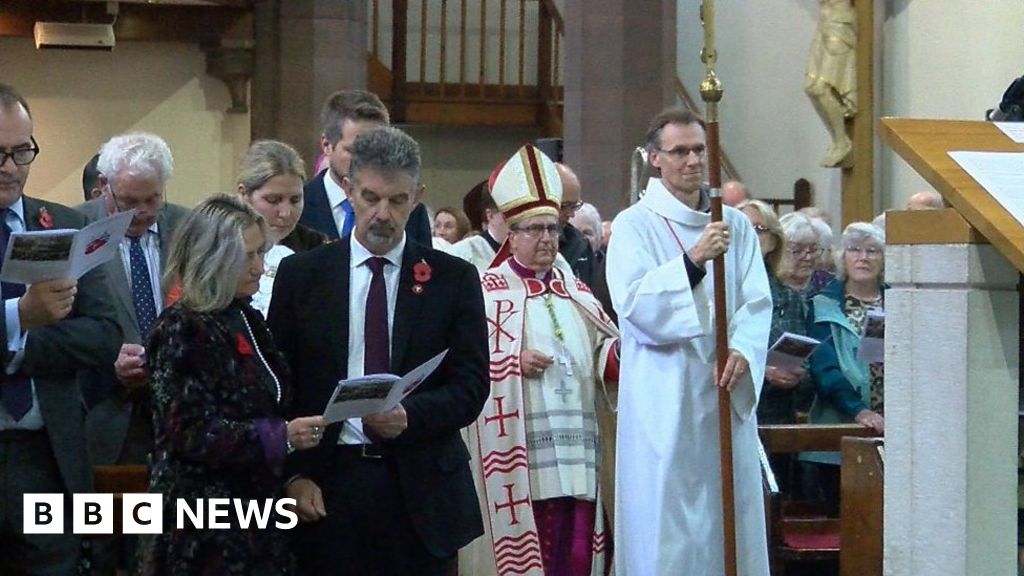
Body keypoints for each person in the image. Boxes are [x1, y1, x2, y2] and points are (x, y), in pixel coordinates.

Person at [267, 126, 488, 575]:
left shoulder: (452, 279)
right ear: (349, 190)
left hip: (421, 487)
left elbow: (471, 386)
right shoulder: (302, 276)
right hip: (328, 484)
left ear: (418, 197)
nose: (383, 214)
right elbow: (277, 386)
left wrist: (411, 416)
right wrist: (293, 474)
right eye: (370, 198)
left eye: (398, 200)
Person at [606, 107, 772, 575]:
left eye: (700, 149)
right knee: (669, 526)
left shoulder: (735, 225)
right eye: (680, 151)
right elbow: (635, 307)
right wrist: (694, 259)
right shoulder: (634, 225)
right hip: (666, 400)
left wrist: (744, 348)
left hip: (723, 391)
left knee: (727, 519)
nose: (693, 160)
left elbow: (757, 301)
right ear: (655, 158)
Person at [138, 194, 324, 575]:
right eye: (248, 256)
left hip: (256, 518)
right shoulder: (180, 328)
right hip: (201, 527)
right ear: (213, 258)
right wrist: (280, 436)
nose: (259, 267)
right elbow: (188, 433)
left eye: (261, 253)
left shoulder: (246, 317)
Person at [466, 145, 620, 575]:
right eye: (534, 229)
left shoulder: (578, 292)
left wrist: (623, 352)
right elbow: (465, 363)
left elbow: (603, 356)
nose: (547, 239)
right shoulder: (485, 293)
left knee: (576, 550)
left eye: (552, 228)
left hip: (580, 448)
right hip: (522, 454)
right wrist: (511, 360)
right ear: (511, 235)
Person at [0, 83, 122, 575]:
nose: (10, 167)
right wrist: (18, 317)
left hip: (44, 453)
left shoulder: (62, 225)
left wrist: (21, 347)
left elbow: (104, 334)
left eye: (21, 151)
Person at [76, 132, 190, 575]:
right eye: (128, 202)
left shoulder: (188, 227)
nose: (142, 212)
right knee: (101, 547)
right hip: (101, 411)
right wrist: (109, 361)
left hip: (177, 419)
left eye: (152, 199)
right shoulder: (76, 228)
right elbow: (58, 326)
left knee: (167, 545)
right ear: (103, 187)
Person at [802, 222, 886, 513]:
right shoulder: (822, 304)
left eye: (873, 251)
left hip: (896, 427)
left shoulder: (902, 300)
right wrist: (858, 410)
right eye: (854, 250)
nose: (863, 257)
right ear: (843, 257)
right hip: (840, 425)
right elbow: (824, 367)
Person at [739, 199, 813, 494]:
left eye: (757, 229)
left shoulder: (788, 296)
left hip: (776, 412)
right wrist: (763, 371)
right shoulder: (717, 290)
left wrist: (798, 372)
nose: (749, 235)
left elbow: (801, 353)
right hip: (734, 410)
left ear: (773, 241)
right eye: (741, 228)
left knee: (776, 499)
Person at [299, 89, 431, 245]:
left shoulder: (413, 213)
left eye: (377, 150)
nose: (366, 160)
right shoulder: (298, 207)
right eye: (355, 150)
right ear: (327, 145)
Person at [236, 139, 327, 317]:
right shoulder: (219, 246)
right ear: (244, 194)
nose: (286, 213)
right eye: (273, 200)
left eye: (295, 200)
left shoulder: (317, 246)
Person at [805, 0, 858, 167]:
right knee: (810, 88)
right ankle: (837, 140)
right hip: (824, 26)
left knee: (820, 89)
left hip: (840, 26)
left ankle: (842, 143)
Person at [555, 162, 596, 287]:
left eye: (574, 206)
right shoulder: (515, 245)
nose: (571, 214)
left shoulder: (580, 246)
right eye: (564, 206)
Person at [449, 188, 509, 273]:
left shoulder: (526, 253)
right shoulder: (461, 254)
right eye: (508, 215)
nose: (517, 222)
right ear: (490, 215)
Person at [778, 211, 835, 295]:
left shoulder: (830, 284)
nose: (808, 257)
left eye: (813, 250)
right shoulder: (766, 285)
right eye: (798, 250)